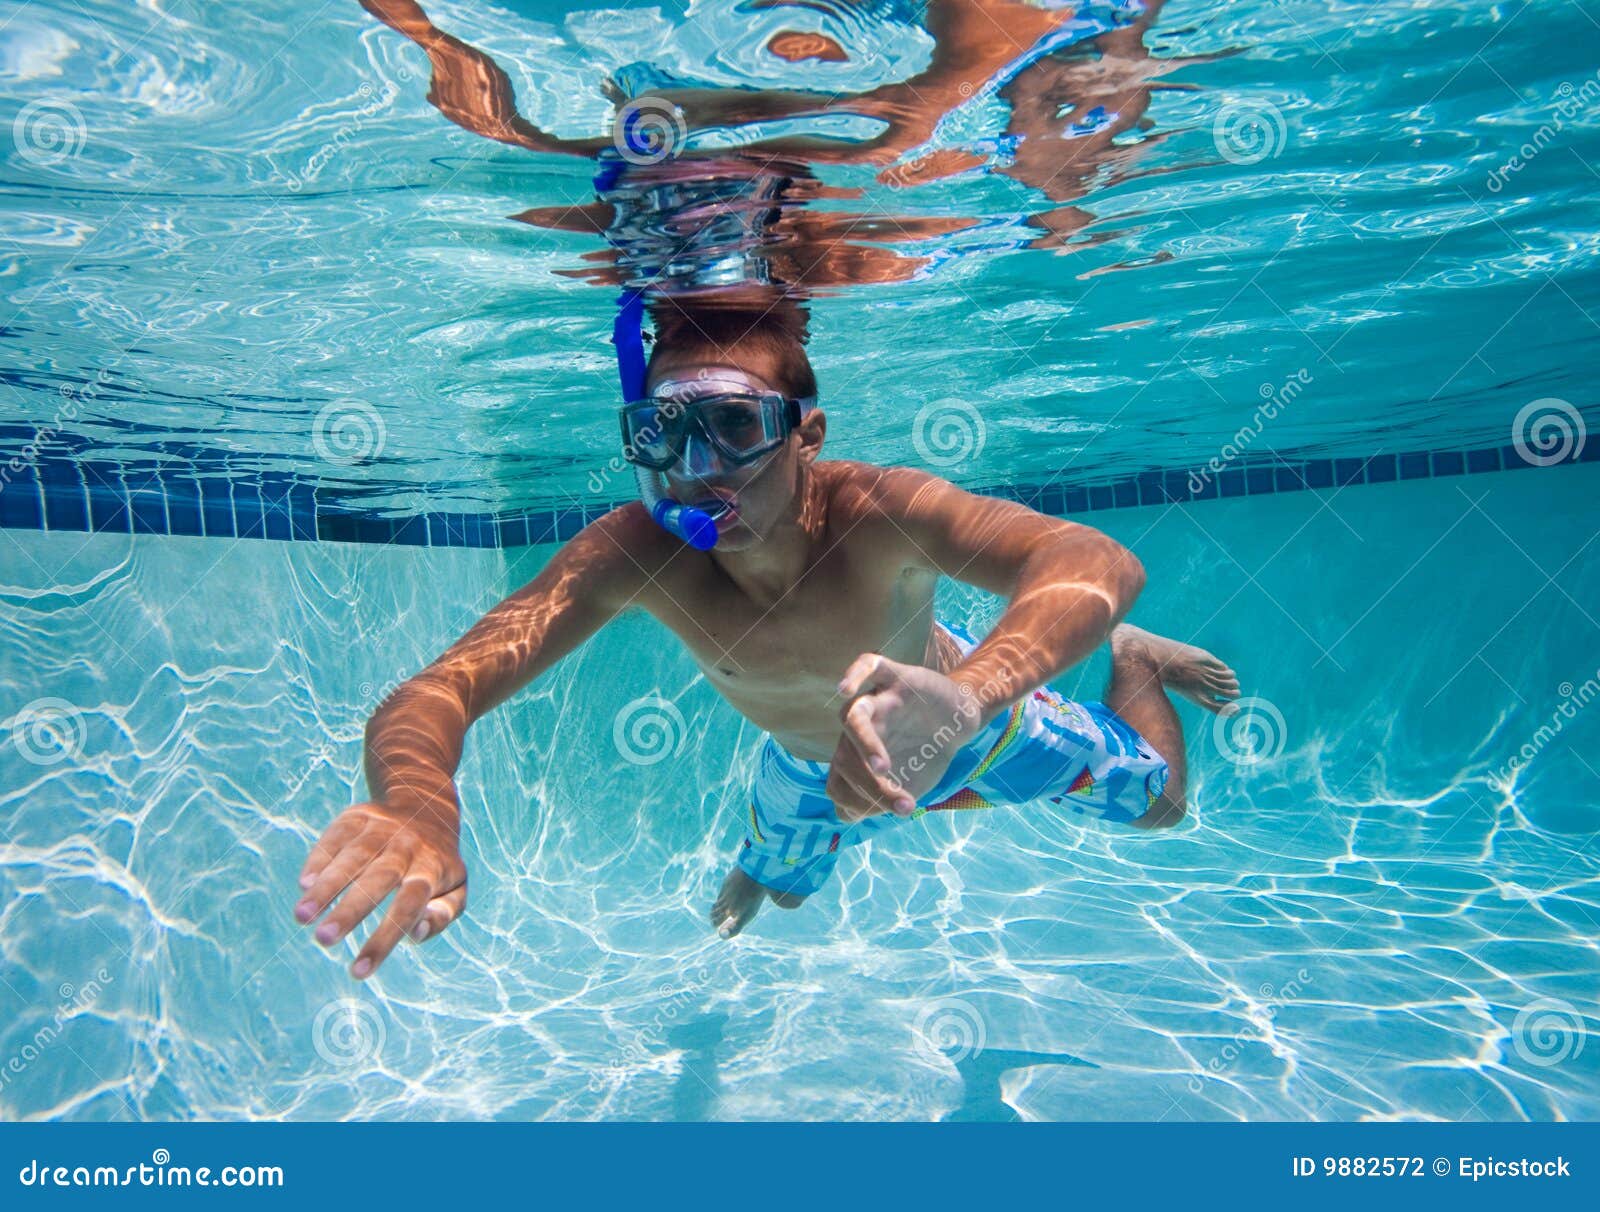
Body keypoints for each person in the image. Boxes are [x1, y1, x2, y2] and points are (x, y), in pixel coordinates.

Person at [293, 300, 1240, 978]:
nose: (699, 473)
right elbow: (436, 690)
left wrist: (971, 696)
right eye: (663, 435)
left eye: (735, 426)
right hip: (802, 761)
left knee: (1159, 809)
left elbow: (1093, 561)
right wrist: (421, 807)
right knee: (786, 894)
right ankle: (769, 865)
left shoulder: (877, 512)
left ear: (806, 432)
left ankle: (1136, 662)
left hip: (971, 722)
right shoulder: (635, 552)